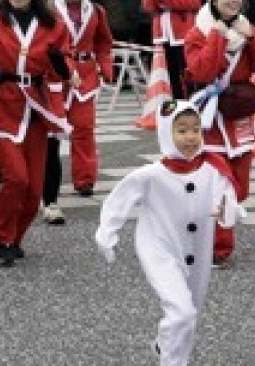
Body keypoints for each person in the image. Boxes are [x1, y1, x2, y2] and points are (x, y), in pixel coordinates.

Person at [95, 100, 242, 366]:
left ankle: (169, 349)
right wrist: (107, 235)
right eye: (182, 130)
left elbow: (228, 202)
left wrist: (226, 211)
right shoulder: (151, 175)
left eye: (196, 129)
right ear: (166, 133)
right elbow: (118, 200)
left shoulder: (213, 169)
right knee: (182, 313)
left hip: (198, 251)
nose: (190, 137)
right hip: (160, 250)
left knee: (189, 314)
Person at [0, 0, 75, 267]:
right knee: (15, 177)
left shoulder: (53, 24)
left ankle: (16, 236)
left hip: (37, 107)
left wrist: (59, 63)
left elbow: (63, 68)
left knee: (34, 187)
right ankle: (3, 236)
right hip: (2, 104)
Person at [184, 0, 255, 268]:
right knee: (216, 184)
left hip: (238, 119)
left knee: (240, 187)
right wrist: (217, 36)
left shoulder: (246, 32)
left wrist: (253, 36)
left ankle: (204, 231)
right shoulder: (198, 32)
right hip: (209, 120)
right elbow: (202, 72)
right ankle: (216, 247)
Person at [51, 0, 114, 199]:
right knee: (51, 133)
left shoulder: (96, 11)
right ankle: (46, 181)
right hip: (56, 75)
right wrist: (67, 69)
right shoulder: (50, 11)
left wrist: (105, 68)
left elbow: (104, 42)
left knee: (84, 130)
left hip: (86, 75)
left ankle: (85, 179)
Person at [143, 0, 201, 100]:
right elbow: (148, 6)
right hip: (164, 34)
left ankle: (190, 101)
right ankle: (176, 102)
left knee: (186, 71)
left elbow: (192, 1)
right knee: (171, 73)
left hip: (182, 34)